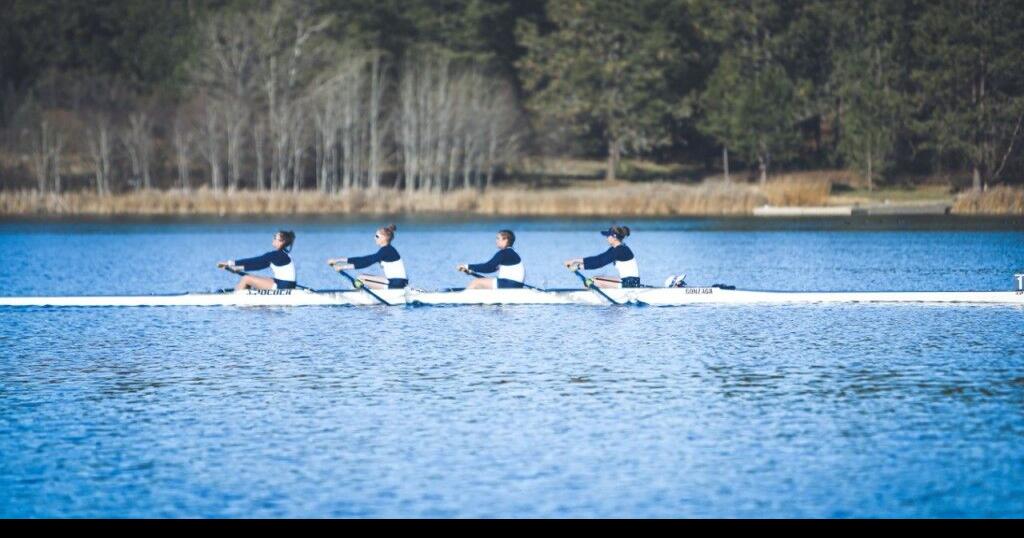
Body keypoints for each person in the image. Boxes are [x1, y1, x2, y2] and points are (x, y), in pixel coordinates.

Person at [327, 224, 408, 289]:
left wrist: (343, 267)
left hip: (397, 283)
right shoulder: (386, 250)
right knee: (362, 277)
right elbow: (364, 259)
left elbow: (367, 262)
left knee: (361, 278)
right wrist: (337, 261)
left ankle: (358, 294)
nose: (374, 238)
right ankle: (361, 292)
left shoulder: (386, 251)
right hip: (398, 282)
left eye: (377, 236)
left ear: (383, 238)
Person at [564, 225, 640, 288]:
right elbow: (598, 258)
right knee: (596, 278)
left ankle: (585, 298)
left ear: (614, 237)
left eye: (608, 236)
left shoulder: (619, 251)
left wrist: (577, 265)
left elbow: (599, 262)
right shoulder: (617, 248)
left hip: (630, 284)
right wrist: (576, 264)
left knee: (593, 281)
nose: (606, 238)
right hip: (631, 282)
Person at [217, 230, 297, 290]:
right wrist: (237, 268)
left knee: (246, 278)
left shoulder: (276, 255)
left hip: (283, 286)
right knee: (251, 277)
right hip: (286, 284)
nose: (273, 239)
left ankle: (234, 299)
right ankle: (243, 296)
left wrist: (230, 263)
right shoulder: (284, 254)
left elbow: (254, 261)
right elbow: (258, 265)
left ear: (282, 242)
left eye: (275, 238)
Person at [457, 230, 525, 289]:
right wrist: (471, 271)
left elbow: (488, 267)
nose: (496, 241)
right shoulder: (512, 253)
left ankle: (460, 298)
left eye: (498, 238)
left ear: (506, 240)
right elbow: (493, 269)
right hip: (514, 284)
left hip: (509, 284)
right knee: (483, 282)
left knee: (476, 282)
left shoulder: (504, 253)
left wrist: (467, 266)